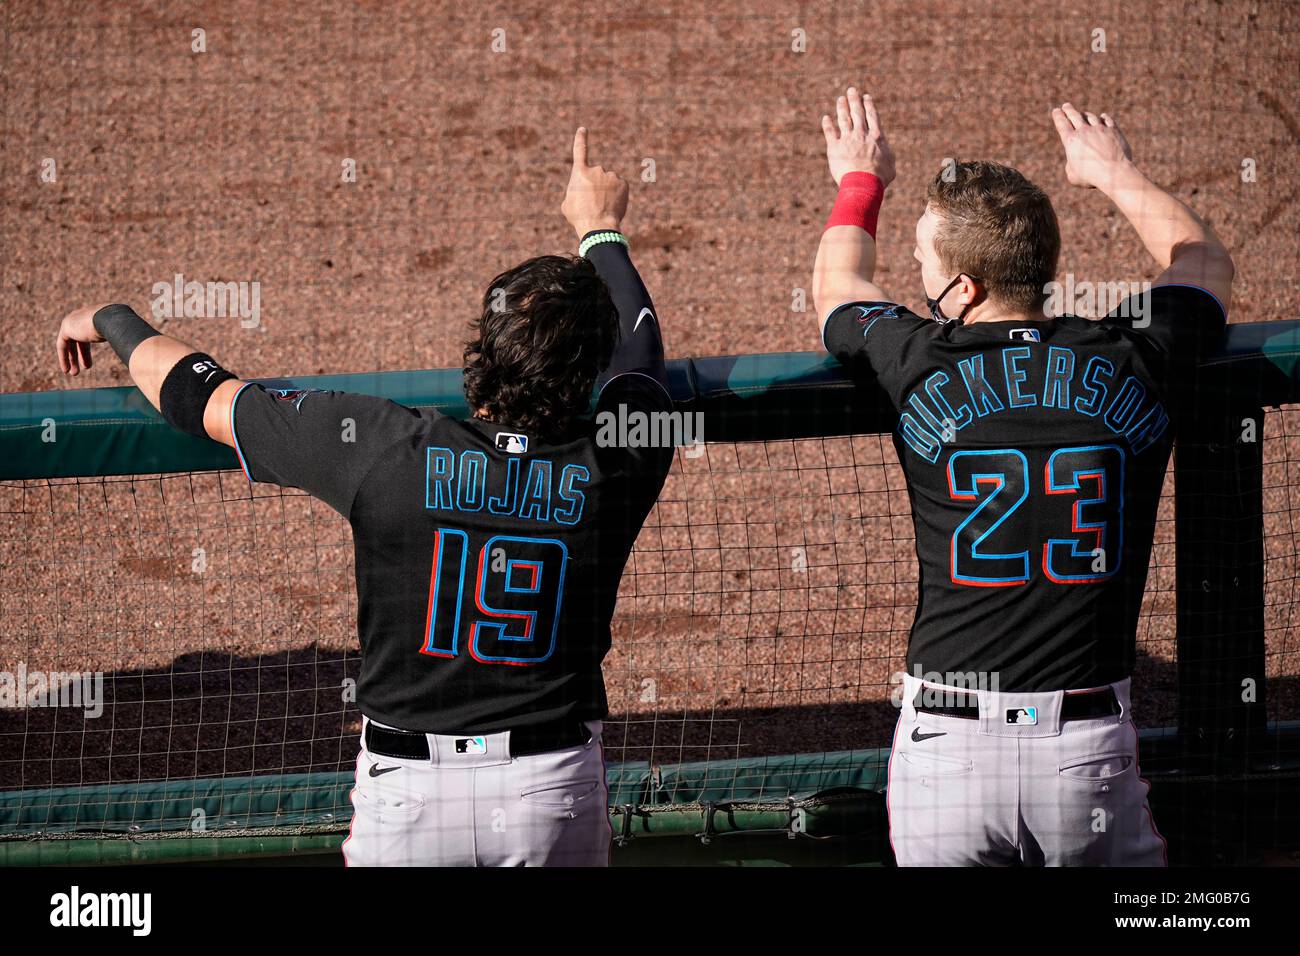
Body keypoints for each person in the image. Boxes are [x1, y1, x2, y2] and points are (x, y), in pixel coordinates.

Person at [55, 127, 674, 867]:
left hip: (408, 799)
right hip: (550, 791)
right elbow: (643, 346)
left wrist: (110, 319)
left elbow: (198, 394)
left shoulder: (377, 444)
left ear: (481, 349)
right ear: (592, 375)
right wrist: (600, 229)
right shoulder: (625, 451)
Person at [811, 88, 1231, 865]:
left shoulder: (915, 357)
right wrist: (1114, 173)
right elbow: (1202, 262)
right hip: (1085, 754)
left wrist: (859, 179)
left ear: (962, 286)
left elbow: (837, 287)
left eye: (924, 259)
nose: (916, 268)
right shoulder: (1131, 355)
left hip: (946, 752)